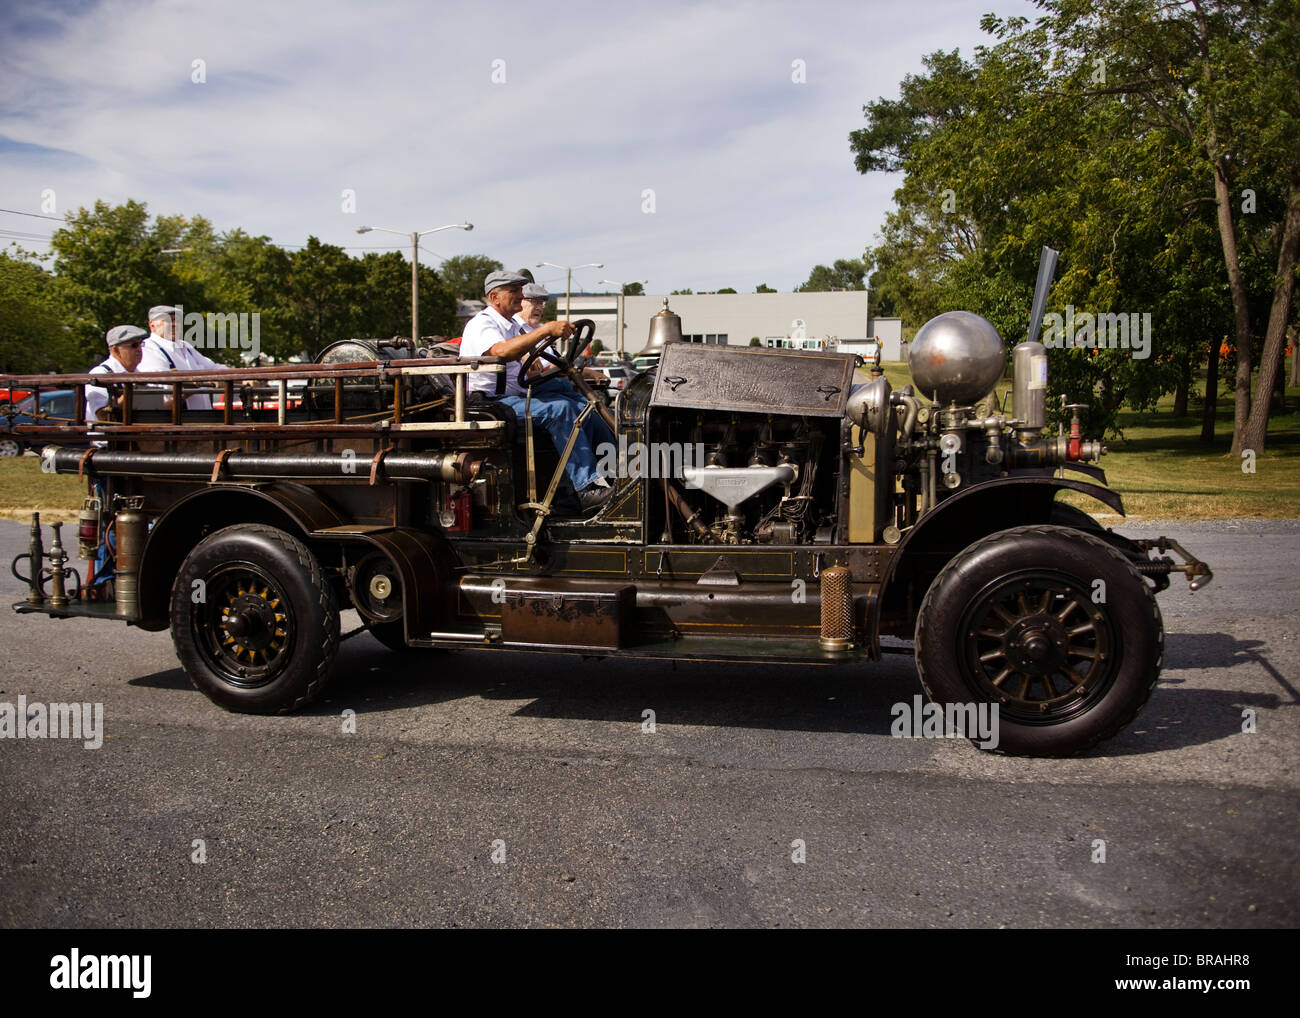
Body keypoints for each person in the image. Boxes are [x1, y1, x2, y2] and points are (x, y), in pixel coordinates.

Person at [460, 271, 614, 509]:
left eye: (521, 291)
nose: (521, 296)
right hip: (492, 403)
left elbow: (523, 361)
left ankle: (618, 472)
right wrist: (544, 331)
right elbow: (501, 351)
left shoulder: (511, 326)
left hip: (516, 396)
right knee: (561, 410)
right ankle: (585, 489)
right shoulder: (483, 323)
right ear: (494, 297)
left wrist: (533, 364)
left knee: (583, 407)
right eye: (514, 291)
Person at [137, 305, 223, 409]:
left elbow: (214, 368)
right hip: (174, 420)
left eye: (177, 320)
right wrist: (199, 381)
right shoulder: (148, 348)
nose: (174, 324)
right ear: (152, 325)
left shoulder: (186, 346)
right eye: (168, 320)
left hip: (201, 419)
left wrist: (244, 377)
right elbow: (163, 383)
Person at [85, 324, 146, 421]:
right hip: (107, 435)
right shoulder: (100, 374)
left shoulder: (139, 373)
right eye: (134, 345)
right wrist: (132, 390)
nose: (139, 349)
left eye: (140, 344)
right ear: (115, 350)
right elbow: (102, 415)